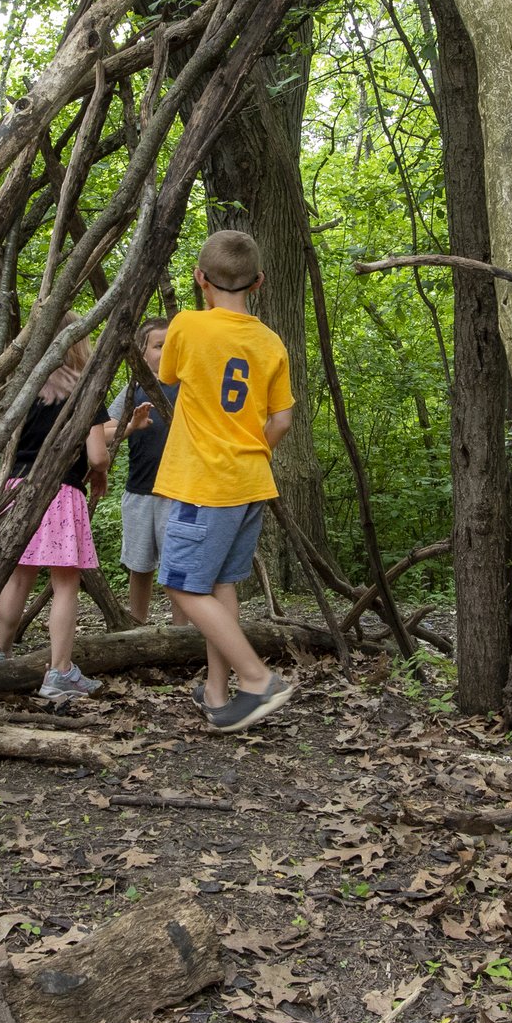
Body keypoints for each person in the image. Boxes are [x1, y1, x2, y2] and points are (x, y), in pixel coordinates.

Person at [153, 229, 296, 732]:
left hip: (204, 484)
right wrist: (248, 451)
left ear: (200, 279)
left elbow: (168, 377)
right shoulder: (271, 341)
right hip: (250, 481)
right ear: (258, 282)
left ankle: (257, 678)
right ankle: (217, 692)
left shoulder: (187, 326)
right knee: (219, 583)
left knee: (179, 585)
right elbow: (280, 421)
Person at [0, 337, 114, 700]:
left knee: (17, 577)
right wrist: (101, 470)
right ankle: (59, 671)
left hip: (17, 489)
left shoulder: (25, 387)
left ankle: (0, 655)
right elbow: (98, 456)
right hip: (59, 490)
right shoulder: (85, 391)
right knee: (65, 584)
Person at [107, 320, 178, 623]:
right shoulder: (133, 389)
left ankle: (181, 631)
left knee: (176, 566)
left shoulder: (186, 387)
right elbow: (104, 430)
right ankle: (138, 623)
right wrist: (131, 426)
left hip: (177, 492)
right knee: (140, 565)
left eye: (170, 345)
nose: (165, 351)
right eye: (158, 346)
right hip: (139, 490)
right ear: (143, 352)